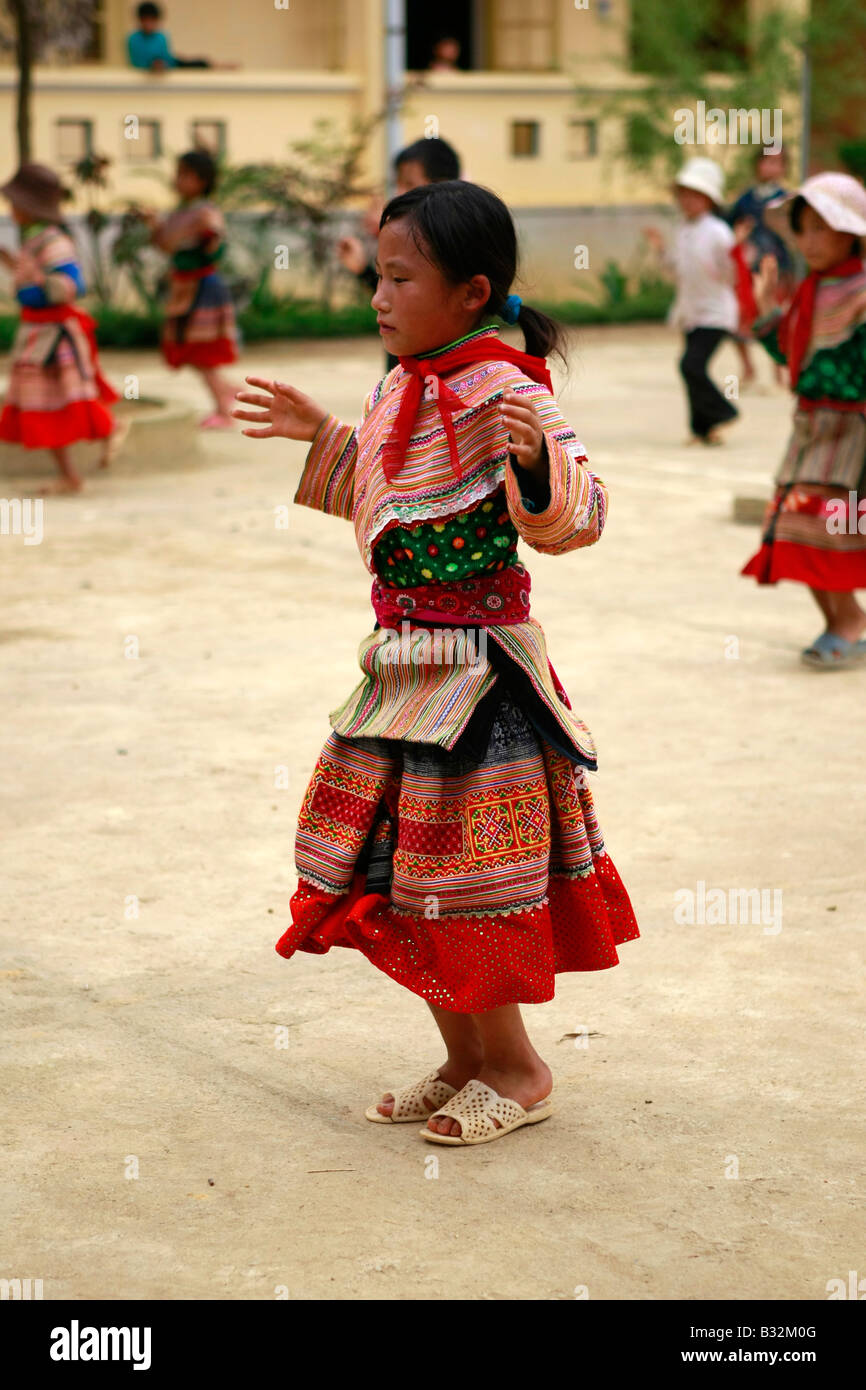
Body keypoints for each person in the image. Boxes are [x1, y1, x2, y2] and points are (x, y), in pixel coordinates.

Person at [234, 181, 639, 1147]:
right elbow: (394, 493)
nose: (379, 296)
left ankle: (518, 1068)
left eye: (401, 278)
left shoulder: (509, 388)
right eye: (378, 275)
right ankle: (464, 1060)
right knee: (402, 872)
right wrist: (327, 436)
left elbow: (577, 517)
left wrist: (539, 462)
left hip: (479, 682)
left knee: (466, 880)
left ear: (471, 290)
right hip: (400, 672)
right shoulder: (397, 383)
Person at [742, 172, 866, 669]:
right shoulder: (811, 291)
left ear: (850, 233)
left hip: (852, 436)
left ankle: (847, 623)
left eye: (822, 227)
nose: (809, 240)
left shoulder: (861, 293)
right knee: (792, 529)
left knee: (831, 532)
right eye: (804, 228)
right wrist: (769, 310)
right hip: (810, 432)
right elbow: (794, 355)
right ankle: (846, 620)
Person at [0, 162, 118, 493]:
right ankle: (71, 472)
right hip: (36, 334)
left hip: (55, 337)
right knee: (45, 402)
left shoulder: (53, 242)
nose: (11, 209)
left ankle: (102, 439)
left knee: (66, 398)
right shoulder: (34, 241)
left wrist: (34, 288)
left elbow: (71, 284)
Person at [337, 137, 462, 371]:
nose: (399, 193)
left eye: (409, 183)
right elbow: (399, 294)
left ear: (441, 184)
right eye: (397, 184)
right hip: (405, 371)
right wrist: (363, 267)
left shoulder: (455, 238)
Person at [644, 157, 741, 445]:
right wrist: (661, 250)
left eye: (695, 195)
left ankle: (724, 411)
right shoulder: (683, 230)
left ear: (710, 199)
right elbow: (676, 269)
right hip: (691, 312)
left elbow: (732, 270)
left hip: (716, 313)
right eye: (683, 194)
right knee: (691, 371)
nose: (687, 201)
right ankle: (703, 430)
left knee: (691, 365)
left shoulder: (719, 232)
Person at [143, 150, 239, 427]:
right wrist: (153, 226)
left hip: (202, 287)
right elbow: (166, 246)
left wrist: (210, 241)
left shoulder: (205, 212)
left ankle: (223, 410)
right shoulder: (181, 213)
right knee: (188, 349)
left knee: (201, 352)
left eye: (185, 175)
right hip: (183, 287)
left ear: (201, 180)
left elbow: (216, 245)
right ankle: (226, 391)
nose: (178, 180)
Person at [727, 149, 795, 387]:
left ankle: (779, 370)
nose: (771, 167)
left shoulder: (789, 200)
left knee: (776, 315)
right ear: (757, 165)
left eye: (777, 162)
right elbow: (729, 226)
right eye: (767, 161)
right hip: (748, 270)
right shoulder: (745, 200)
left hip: (778, 268)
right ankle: (747, 368)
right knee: (740, 319)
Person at [126, 2, 232, 71]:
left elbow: (166, 56)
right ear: (140, 20)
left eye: (152, 20)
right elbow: (136, 61)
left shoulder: (161, 37)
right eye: (146, 20)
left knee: (200, 62)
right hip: (152, 67)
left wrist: (162, 64)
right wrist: (151, 66)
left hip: (172, 64)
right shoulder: (133, 39)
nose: (148, 24)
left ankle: (221, 66)